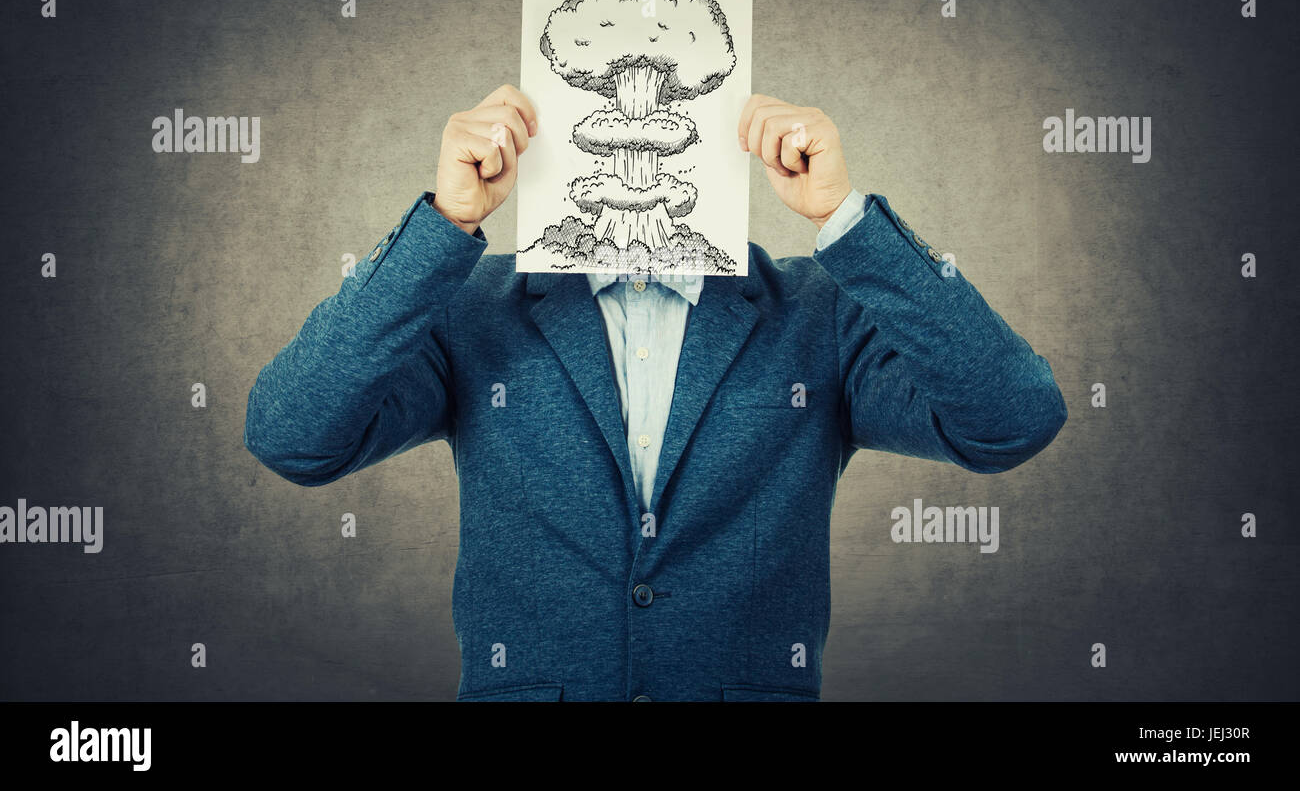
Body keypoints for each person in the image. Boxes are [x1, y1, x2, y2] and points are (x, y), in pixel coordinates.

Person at [244, 83, 1067, 702]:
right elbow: (293, 434)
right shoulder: (471, 308)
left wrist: (846, 222)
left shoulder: (821, 313)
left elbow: (1013, 418)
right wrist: (443, 229)